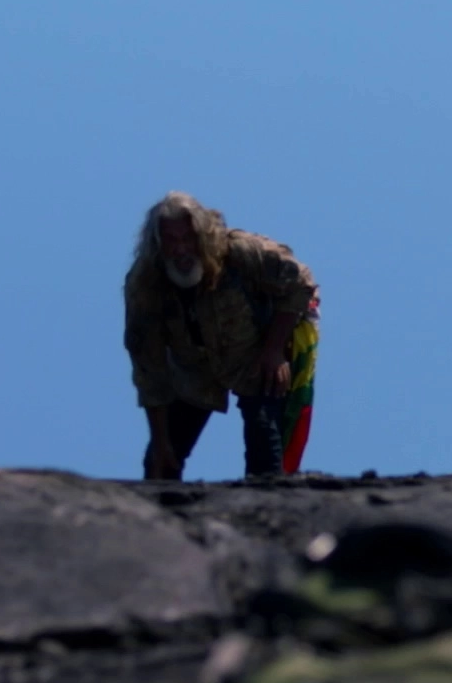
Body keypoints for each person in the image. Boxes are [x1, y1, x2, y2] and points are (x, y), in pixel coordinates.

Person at [123, 191, 319, 480]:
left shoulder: (241, 252)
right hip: (193, 370)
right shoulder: (146, 285)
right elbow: (148, 370)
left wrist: (274, 351)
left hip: (256, 354)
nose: (180, 249)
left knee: (264, 444)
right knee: (160, 460)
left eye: (187, 238)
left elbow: (300, 283)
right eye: (170, 240)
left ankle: (265, 511)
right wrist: (161, 441)